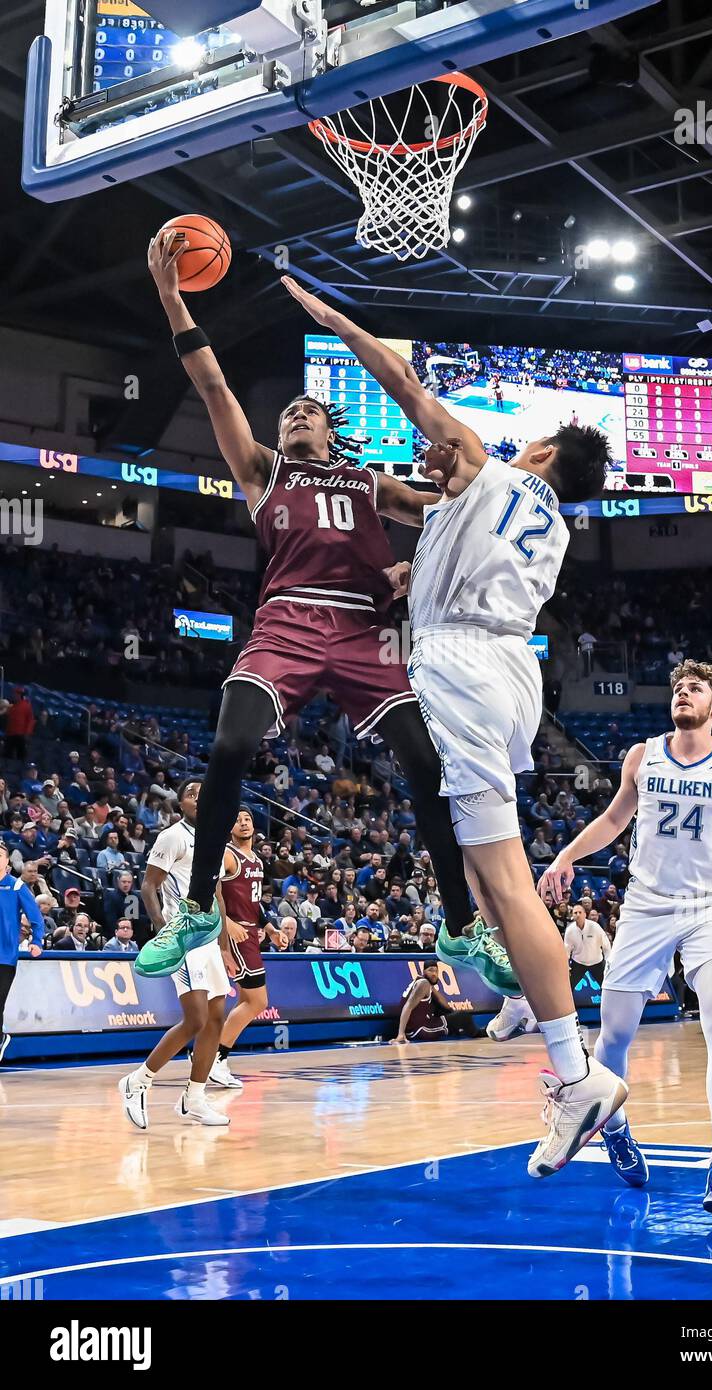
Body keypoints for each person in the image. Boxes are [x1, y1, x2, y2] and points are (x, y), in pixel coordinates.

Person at [283, 275, 625, 1176]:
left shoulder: (491, 469)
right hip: (503, 668)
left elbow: (404, 385)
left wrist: (331, 319)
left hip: (465, 668)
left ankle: (573, 1069)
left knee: (505, 880)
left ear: (544, 448)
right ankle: (552, 1042)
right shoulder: (535, 518)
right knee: (484, 867)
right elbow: (408, 507)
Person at [135, 236, 485, 989]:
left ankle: (460, 926)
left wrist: (425, 528)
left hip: (365, 632)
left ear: (330, 431)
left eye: (308, 411)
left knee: (426, 767)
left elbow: (459, 514)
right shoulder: (263, 471)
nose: (296, 415)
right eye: (289, 411)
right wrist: (172, 296)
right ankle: (198, 907)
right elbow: (213, 386)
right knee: (229, 746)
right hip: (288, 622)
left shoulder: (369, 484)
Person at [539, 660, 712, 1216]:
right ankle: (616, 1131)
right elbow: (615, 819)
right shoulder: (643, 755)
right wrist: (566, 855)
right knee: (612, 1039)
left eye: (696, 689)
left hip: (710, 908)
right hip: (646, 906)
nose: (683, 693)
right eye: (679, 688)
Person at [119, 780, 237, 1129]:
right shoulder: (173, 836)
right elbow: (148, 885)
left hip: (209, 936)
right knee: (197, 1019)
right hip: (182, 936)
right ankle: (138, 1080)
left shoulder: (215, 840)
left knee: (217, 1018)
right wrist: (162, 929)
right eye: (191, 794)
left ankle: (194, 1099)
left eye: (205, 792)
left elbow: (216, 890)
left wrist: (224, 943)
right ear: (181, 804)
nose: (199, 798)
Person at [210, 806, 290, 1089]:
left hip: (251, 931)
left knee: (246, 1001)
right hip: (236, 933)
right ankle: (215, 1059)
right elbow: (211, 892)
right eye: (237, 819)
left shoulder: (256, 859)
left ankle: (213, 1057)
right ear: (229, 828)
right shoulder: (227, 855)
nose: (243, 823)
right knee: (258, 1002)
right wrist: (227, 924)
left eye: (248, 819)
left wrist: (271, 929)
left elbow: (255, 905)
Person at [0, 842, 44, 1063]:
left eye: (0, 855)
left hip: (5, 956)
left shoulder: (16, 886)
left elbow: (35, 916)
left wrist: (37, 941)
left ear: (7, 861)